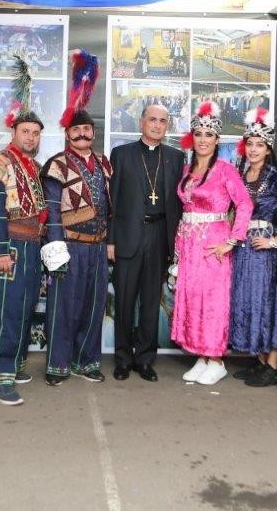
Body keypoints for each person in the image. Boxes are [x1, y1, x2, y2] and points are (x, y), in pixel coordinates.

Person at [0, 72, 47, 406]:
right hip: (11, 247)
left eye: (35, 132)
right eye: (25, 131)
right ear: (14, 132)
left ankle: (14, 364)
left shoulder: (34, 166)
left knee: (24, 308)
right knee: (3, 310)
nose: (30, 137)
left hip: (31, 246)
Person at [41, 49, 110, 386]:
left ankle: (87, 361)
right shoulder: (56, 164)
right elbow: (51, 207)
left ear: (93, 133)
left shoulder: (105, 163)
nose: (82, 133)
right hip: (69, 245)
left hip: (98, 247)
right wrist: (56, 246)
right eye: (76, 129)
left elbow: (112, 206)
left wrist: (110, 242)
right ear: (67, 134)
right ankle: (58, 365)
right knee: (63, 308)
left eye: (87, 129)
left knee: (94, 307)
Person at [172, 102, 252, 385]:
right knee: (193, 298)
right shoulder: (186, 169)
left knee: (212, 301)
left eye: (209, 135)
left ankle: (216, 359)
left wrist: (232, 240)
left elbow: (245, 204)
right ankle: (201, 355)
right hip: (189, 245)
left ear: (217, 140)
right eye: (199, 134)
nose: (203, 140)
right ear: (191, 138)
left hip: (213, 245)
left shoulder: (225, 170)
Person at [230, 108, 277, 388]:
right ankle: (260, 360)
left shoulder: (275, 178)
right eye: (250, 144)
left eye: (259, 145)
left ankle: (273, 365)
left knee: (267, 304)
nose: (253, 149)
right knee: (249, 303)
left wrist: (275, 240)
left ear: (268, 148)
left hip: (262, 250)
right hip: (242, 249)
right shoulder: (240, 174)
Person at [109, 104, 184, 381]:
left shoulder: (176, 157)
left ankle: (145, 359)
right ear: (141, 122)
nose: (156, 125)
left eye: (162, 121)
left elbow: (179, 204)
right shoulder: (121, 154)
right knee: (125, 301)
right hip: (128, 236)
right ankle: (122, 358)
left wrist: (176, 245)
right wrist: (110, 240)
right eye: (152, 119)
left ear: (167, 126)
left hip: (160, 235)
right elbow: (112, 202)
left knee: (151, 302)